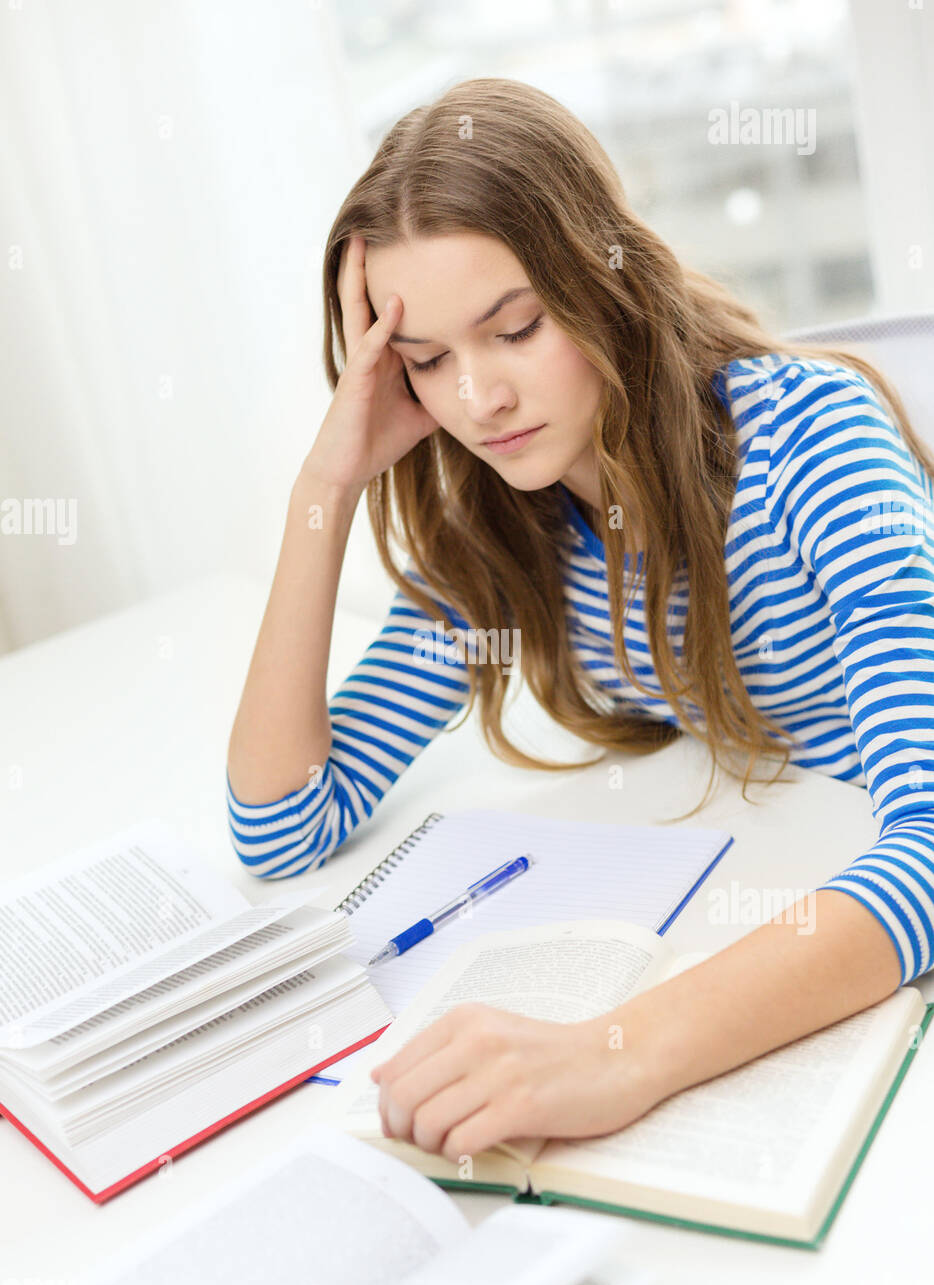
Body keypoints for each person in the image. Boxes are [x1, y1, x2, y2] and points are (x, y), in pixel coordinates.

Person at [226, 78, 934, 1164]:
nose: (478, 399)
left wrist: (617, 1051)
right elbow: (282, 826)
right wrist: (323, 485)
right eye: (424, 362)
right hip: (799, 843)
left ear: (602, 280)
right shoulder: (507, 534)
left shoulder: (813, 445)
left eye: (514, 328)